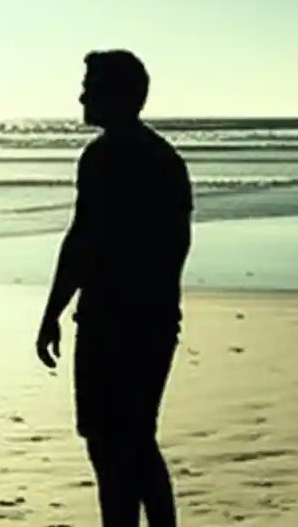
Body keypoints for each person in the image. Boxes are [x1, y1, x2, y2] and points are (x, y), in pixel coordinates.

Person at [36, 50, 193, 527]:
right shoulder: (112, 156)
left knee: (125, 441)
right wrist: (55, 310)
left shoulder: (143, 161)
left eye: (92, 84)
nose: (82, 94)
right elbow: (81, 239)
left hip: (131, 322)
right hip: (115, 317)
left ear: (121, 94)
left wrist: (58, 311)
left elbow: (96, 241)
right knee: (113, 441)